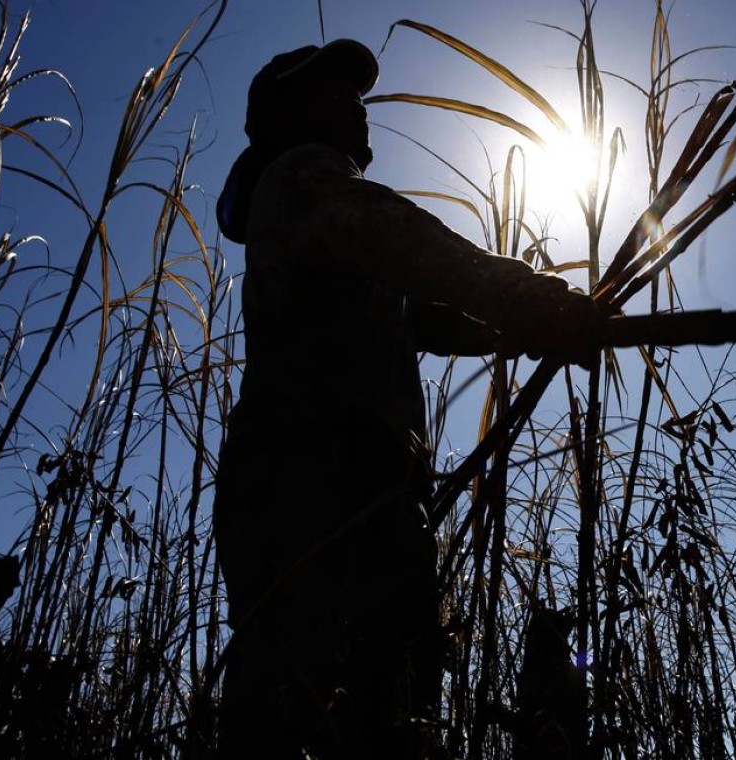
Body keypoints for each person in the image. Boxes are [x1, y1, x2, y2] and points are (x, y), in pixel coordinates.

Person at [212, 39, 600, 759]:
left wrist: (520, 327)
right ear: (291, 113)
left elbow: (422, 315)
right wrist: (528, 298)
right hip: (317, 480)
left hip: (344, 480)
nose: (360, 114)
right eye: (337, 95)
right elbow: (398, 238)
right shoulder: (302, 176)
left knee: (369, 699)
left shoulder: (310, 223)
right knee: (325, 703)